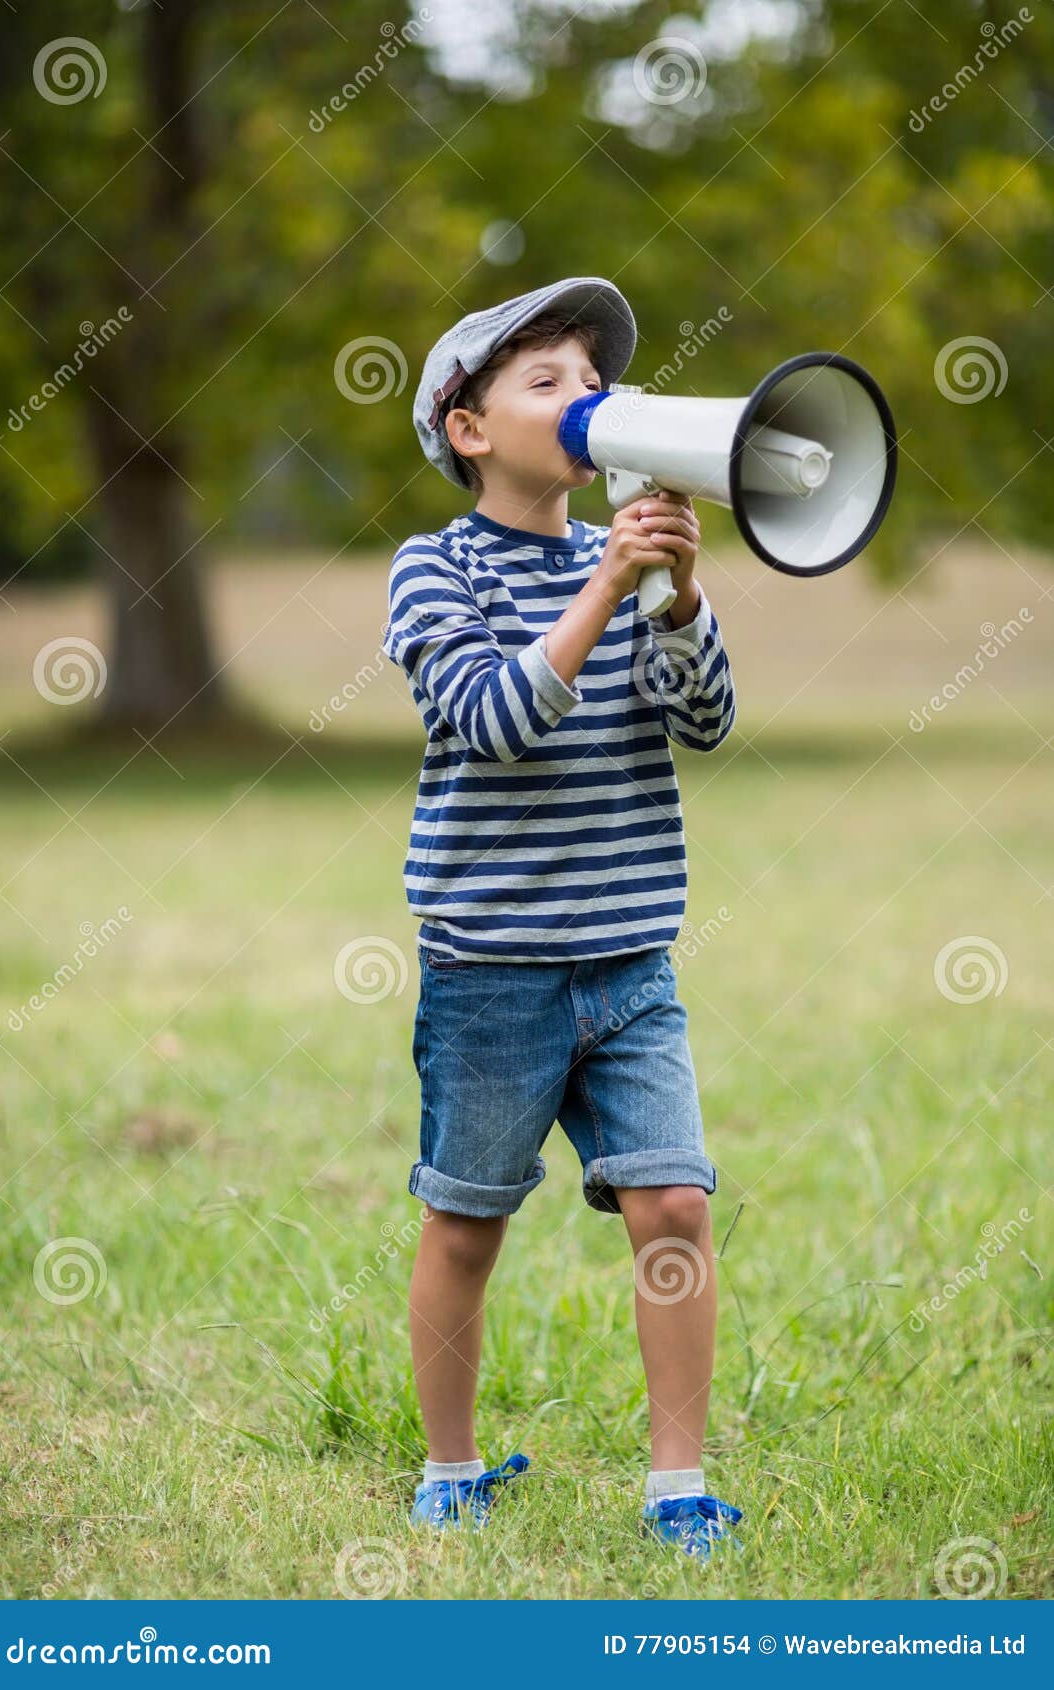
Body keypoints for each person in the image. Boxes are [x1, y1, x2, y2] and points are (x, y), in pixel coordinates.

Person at [382, 277, 740, 1560]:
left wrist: (680, 599)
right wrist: (602, 591)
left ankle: (677, 1483)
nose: (583, 398)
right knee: (467, 1220)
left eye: (593, 379)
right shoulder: (433, 567)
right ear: (466, 426)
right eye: (547, 381)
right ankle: (449, 1465)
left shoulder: (636, 555)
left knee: (675, 1211)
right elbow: (490, 721)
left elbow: (703, 722)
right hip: (490, 965)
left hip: (630, 954)